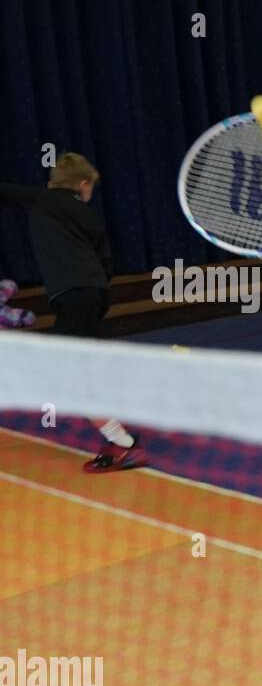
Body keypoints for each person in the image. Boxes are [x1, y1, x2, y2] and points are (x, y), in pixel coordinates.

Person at [0, 153, 148, 472]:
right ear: (82, 184)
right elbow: (106, 262)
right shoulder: (88, 215)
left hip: (73, 295)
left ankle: (124, 444)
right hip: (93, 293)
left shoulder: (43, 199)